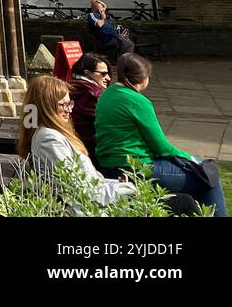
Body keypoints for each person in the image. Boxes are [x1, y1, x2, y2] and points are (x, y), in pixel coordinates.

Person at [95, 53, 227, 217]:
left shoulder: (107, 94)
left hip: (110, 166)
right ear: (144, 79)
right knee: (209, 176)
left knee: (196, 183)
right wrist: (191, 158)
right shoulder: (137, 101)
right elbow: (162, 147)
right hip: (136, 168)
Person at [17, 74, 135, 210]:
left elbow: (86, 182)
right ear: (46, 107)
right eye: (63, 104)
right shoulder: (49, 140)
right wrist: (128, 188)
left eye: (69, 103)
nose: (69, 109)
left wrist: (114, 184)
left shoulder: (51, 133)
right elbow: (80, 189)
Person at [68, 52, 110, 165]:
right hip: (92, 151)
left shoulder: (70, 86)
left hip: (73, 145)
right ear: (87, 73)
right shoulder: (94, 94)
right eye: (103, 74)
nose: (108, 78)